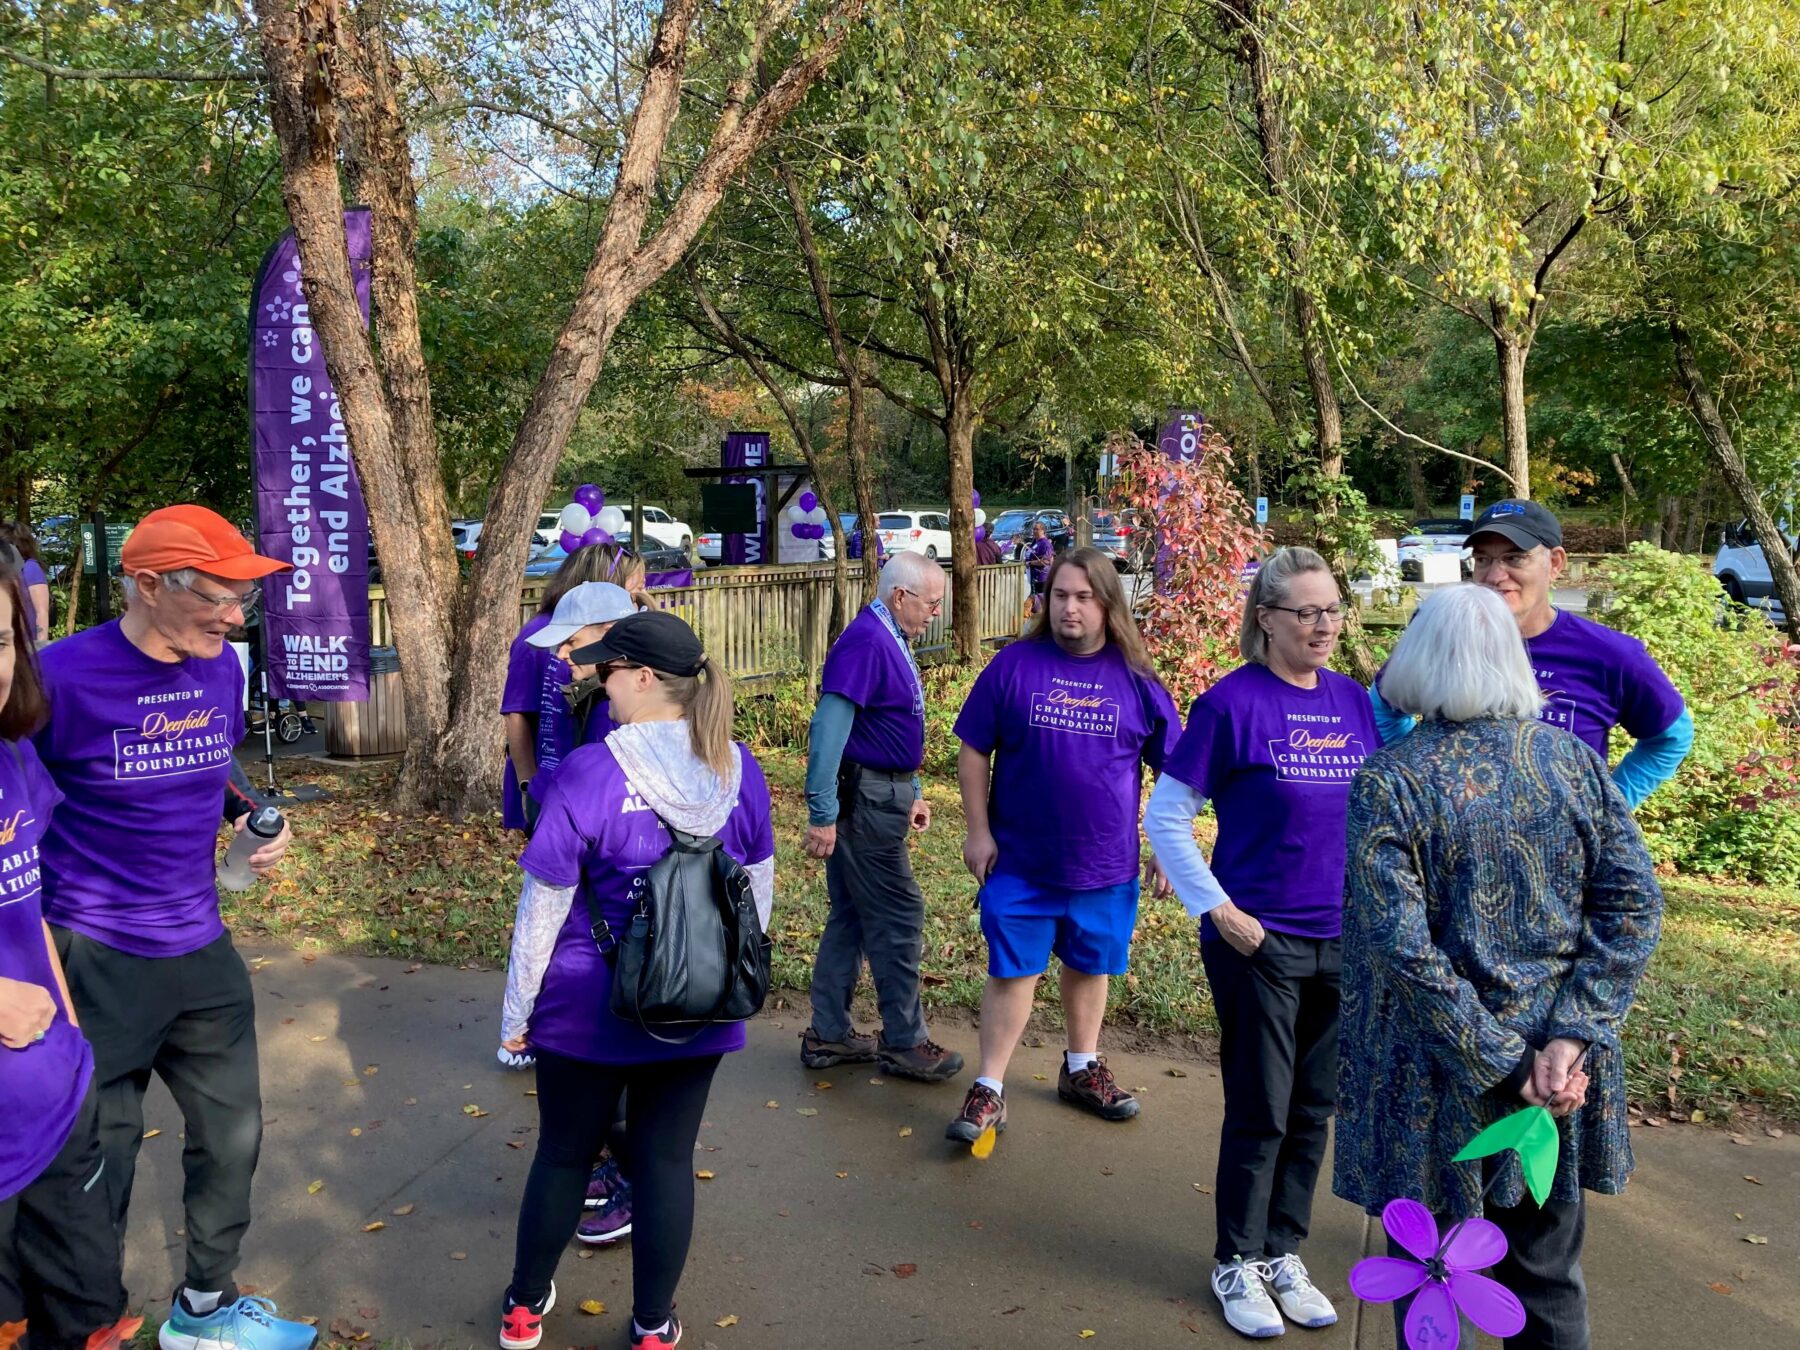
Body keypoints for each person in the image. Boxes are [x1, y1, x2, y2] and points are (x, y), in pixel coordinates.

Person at [1338, 582, 1661, 1350]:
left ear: (1416, 658)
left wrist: (1511, 1061)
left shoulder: (1392, 777)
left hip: (1436, 1080)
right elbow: (1634, 909)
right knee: (1545, 1280)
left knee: (1433, 1285)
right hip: (1554, 1084)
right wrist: (1567, 1042)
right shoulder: (1575, 762)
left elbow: (1397, 947)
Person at [34, 506, 309, 1349]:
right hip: (94, 948)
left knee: (234, 1136)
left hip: (201, 940)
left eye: (242, 602)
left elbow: (215, 760)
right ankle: (87, 1324)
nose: (234, 618)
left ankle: (205, 1310)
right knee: (99, 1159)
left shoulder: (220, 667)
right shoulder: (56, 679)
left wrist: (254, 814)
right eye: (218, 598)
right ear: (150, 586)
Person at [496, 611, 773, 1350]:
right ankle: (653, 1324)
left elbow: (543, 907)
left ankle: (524, 1309)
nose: (602, 684)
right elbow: (755, 900)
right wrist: (722, 980)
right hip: (702, 1006)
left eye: (610, 671)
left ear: (645, 678)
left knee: (563, 1152)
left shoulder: (592, 770)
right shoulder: (739, 769)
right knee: (666, 1162)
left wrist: (516, 1015)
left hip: (588, 1004)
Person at [1142, 546, 1376, 1338]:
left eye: (1334, 610)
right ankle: (1235, 1262)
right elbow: (1165, 816)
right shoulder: (1229, 705)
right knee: (1262, 1108)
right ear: (1266, 618)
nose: (1324, 626)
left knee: (1314, 1107)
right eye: (1307, 612)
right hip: (1259, 943)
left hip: (1343, 940)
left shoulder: (1355, 702)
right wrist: (1217, 908)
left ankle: (1284, 1252)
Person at [948, 546, 1179, 1146]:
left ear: (1108, 605)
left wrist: (1168, 849)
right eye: (1059, 596)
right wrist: (978, 829)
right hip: (1021, 862)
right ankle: (990, 1087)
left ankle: (1082, 1068)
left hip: (1104, 866)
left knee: (1089, 963)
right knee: (1012, 970)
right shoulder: (1014, 665)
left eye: (1083, 597)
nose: (1069, 608)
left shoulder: (1138, 680)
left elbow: (1177, 775)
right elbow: (974, 748)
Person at [0, 543, 139, 1350]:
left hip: (54, 1108)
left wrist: (74, 1042)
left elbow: (30, 909)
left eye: (0, 638)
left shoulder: (14, 756)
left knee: (88, 1327)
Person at [1371, 499, 1692, 808]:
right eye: (1483, 559)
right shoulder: (1441, 632)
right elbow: (1383, 706)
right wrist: (1415, 769)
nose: (1495, 576)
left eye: (1514, 558)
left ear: (1555, 563)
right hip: (1447, 855)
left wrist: (1610, 806)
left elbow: (1670, 738)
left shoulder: (1609, 654)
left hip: (1560, 858)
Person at [799, 551, 963, 1082]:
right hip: (865, 804)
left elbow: (886, 723)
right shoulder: (868, 640)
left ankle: (829, 1035)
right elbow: (828, 730)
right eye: (932, 603)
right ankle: (903, 1042)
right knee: (899, 915)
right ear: (901, 596)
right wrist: (822, 813)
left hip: (881, 795)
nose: (936, 612)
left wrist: (911, 788)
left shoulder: (888, 636)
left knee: (850, 914)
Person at [502, 543, 645, 832]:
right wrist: (528, 787)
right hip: (550, 782)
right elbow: (516, 713)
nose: (642, 588)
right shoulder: (539, 634)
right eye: (635, 582)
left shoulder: (616, 640)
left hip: (592, 786)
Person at [0, 524, 51, 643]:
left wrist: (41, 643)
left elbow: (42, 611)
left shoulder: (30, 568)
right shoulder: (6, 572)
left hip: (29, 643)